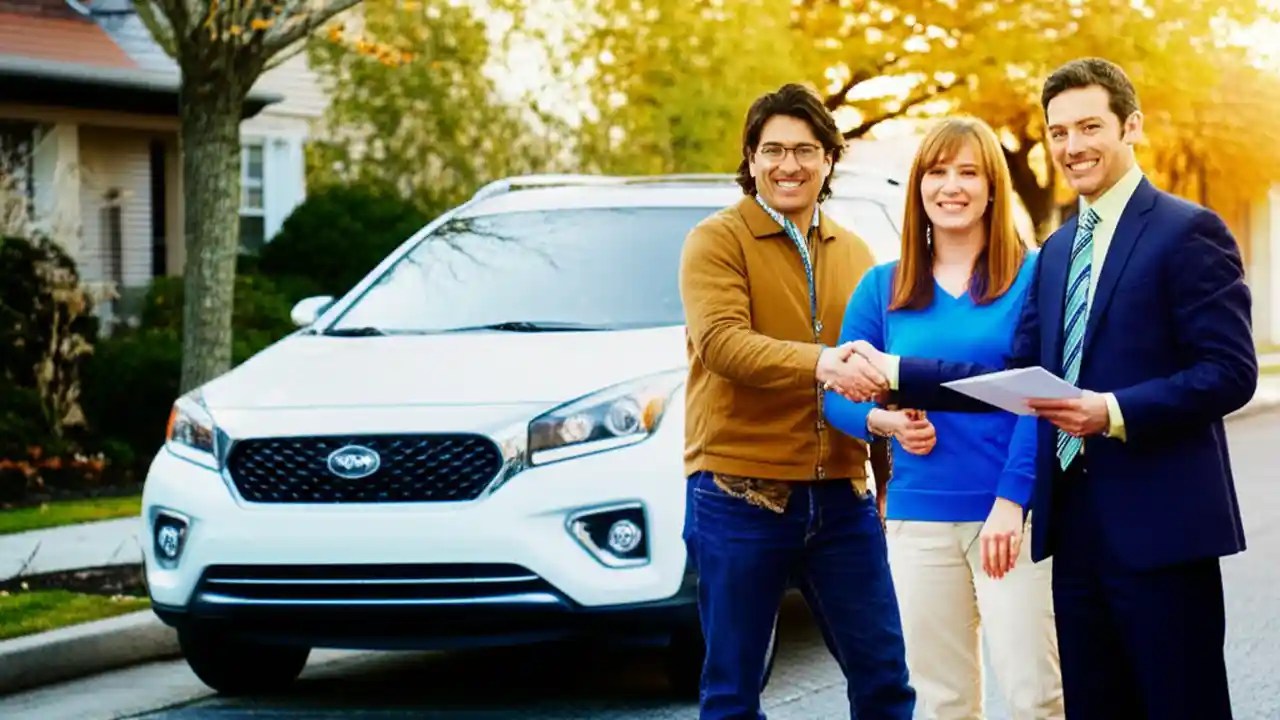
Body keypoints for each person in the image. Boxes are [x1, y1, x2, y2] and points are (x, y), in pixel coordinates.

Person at [840, 58, 1257, 718]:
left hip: (1163, 531)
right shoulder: (1060, 251)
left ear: (1131, 127)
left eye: (1090, 127)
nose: (1073, 146)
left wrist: (1112, 411)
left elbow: (1230, 372)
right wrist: (895, 376)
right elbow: (1013, 380)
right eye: (1059, 132)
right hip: (1075, 534)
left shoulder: (1188, 232)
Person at [678, 82, 915, 720]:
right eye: (774, 150)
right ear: (751, 158)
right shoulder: (716, 241)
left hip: (841, 497)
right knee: (733, 692)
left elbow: (875, 372)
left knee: (886, 680)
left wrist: (886, 479)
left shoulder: (855, 251)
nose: (790, 165)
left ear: (829, 160)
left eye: (806, 150)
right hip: (739, 494)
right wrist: (821, 363)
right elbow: (725, 345)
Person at [824, 116, 1064, 719]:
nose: (951, 186)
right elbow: (837, 394)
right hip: (918, 521)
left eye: (968, 172)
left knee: (1037, 696)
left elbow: (1043, 397)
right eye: (936, 172)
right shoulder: (883, 287)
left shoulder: (1033, 277)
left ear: (991, 189)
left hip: (1012, 517)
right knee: (941, 702)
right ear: (918, 187)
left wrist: (1013, 499)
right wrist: (883, 423)